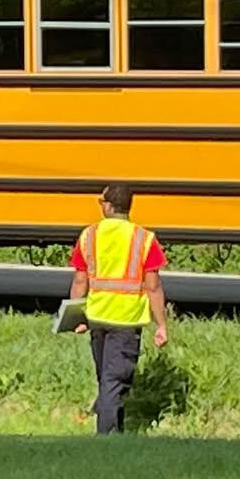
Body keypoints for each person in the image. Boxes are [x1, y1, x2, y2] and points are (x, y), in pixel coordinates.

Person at [69, 183, 170, 433]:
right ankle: (108, 437)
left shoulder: (89, 235)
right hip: (126, 320)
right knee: (114, 382)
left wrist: (76, 316)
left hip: (97, 318)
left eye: (101, 201)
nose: (100, 205)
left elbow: (80, 281)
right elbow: (153, 287)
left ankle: (111, 434)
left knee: (107, 380)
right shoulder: (144, 239)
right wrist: (161, 325)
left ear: (109, 205)